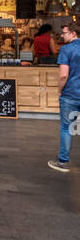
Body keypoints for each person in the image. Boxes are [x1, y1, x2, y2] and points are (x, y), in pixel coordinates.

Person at [47, 17, 80, 173]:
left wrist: (59, 90)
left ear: (73, 33)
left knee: (67, 128)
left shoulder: (66, 50)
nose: (61, 36)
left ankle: (63, 161)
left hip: (71, 94)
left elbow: (63, 76)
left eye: (64, 33)